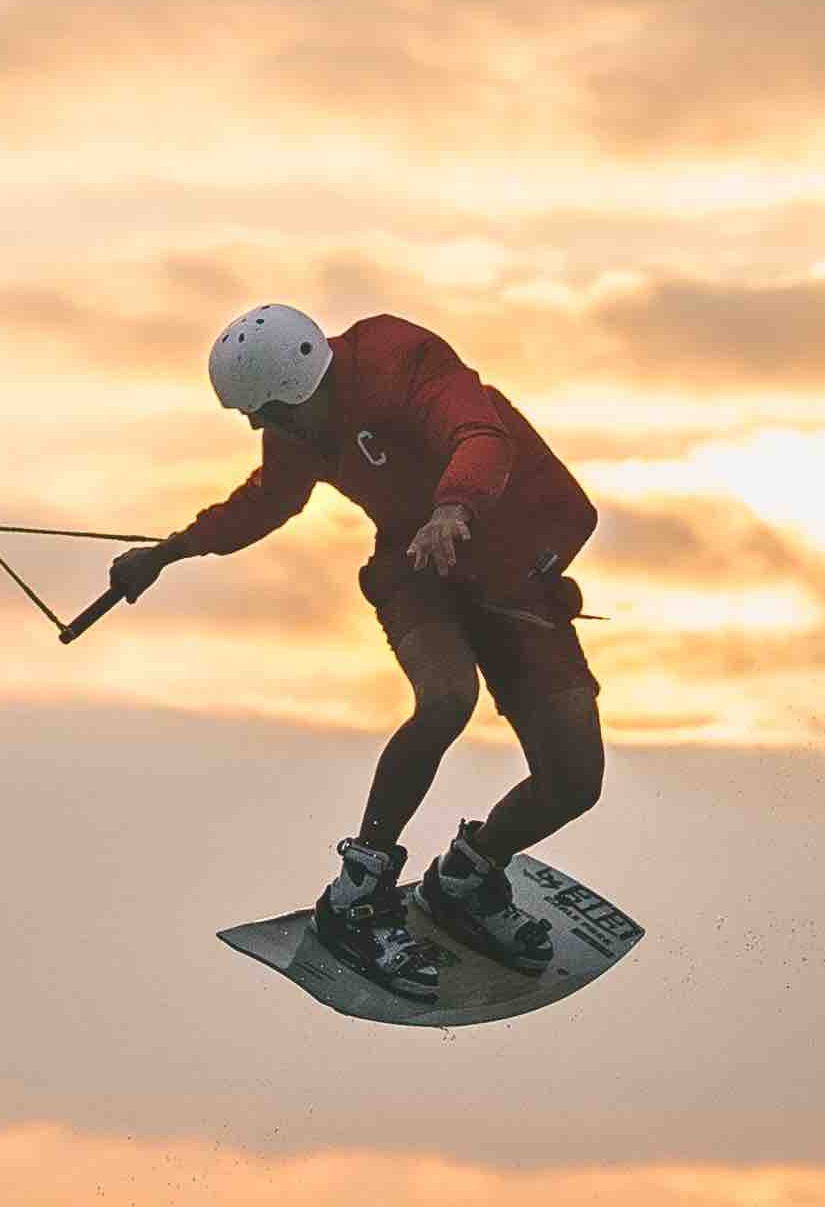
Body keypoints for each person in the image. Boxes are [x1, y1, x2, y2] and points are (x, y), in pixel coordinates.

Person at [108, 304, 604, 999]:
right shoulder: (296, 421)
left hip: (512, 578)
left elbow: (479, 434)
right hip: (418, 569)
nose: (260, 428)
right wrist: (167, 553)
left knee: (575, 782)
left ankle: (467, 876)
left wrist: (452, 509)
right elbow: (267, 501)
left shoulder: (401, 362)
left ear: (307, 385)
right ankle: (358, 888)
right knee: (445, 700)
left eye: (269, 413)